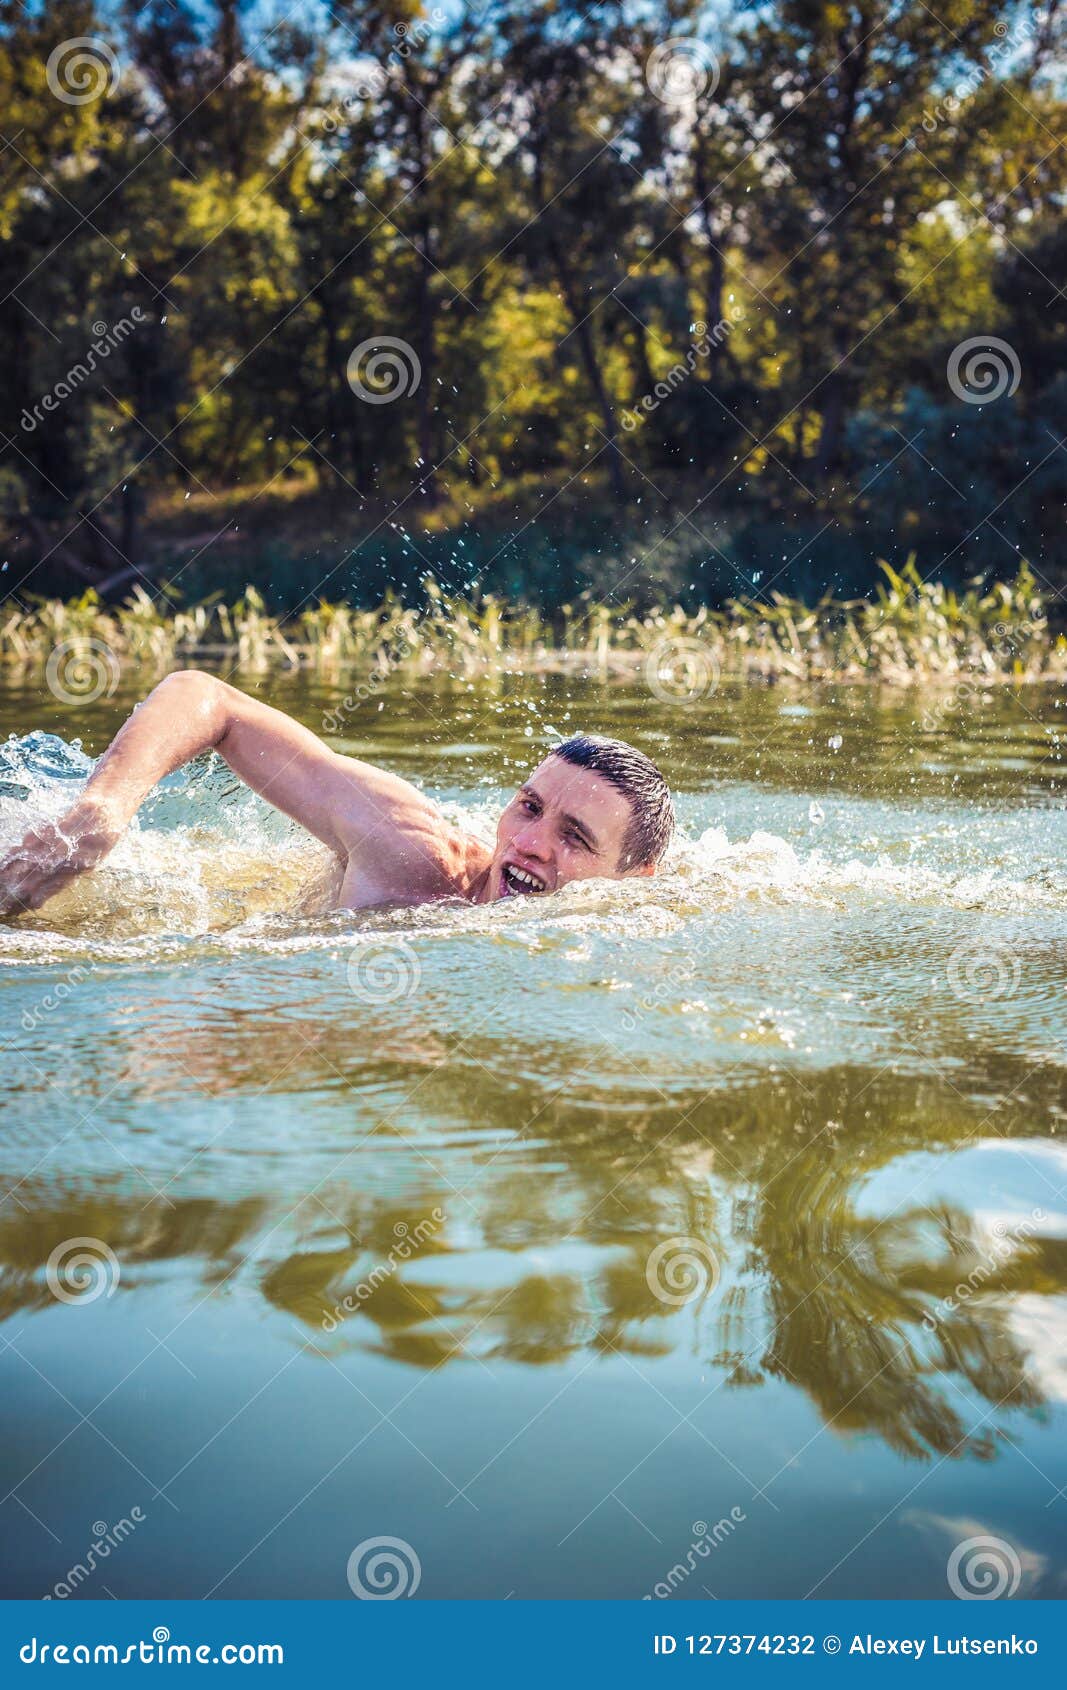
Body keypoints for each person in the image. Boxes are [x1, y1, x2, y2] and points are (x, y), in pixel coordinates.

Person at [0, 670, 675, 917]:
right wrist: (104, 809)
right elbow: (207, 700)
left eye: (575, 837)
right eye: (528, 808)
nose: (528, 844)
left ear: (634, 880)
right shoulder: (409, 850)